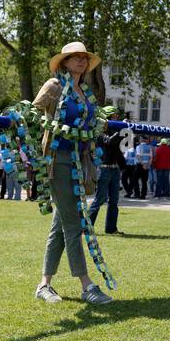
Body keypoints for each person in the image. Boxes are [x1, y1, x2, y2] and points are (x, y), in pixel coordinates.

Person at [33, 41, 113, 305]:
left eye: (84, 58)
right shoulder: (54, 86)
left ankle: (44, 284)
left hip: (80, 161)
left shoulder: (84, 91)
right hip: (58, 160)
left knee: (61, 222)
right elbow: (34, 117)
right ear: (64, 63)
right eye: (74, 57)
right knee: (73, 222)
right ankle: (86, 285)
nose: (81, 61)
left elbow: (89, 124)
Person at [88, 106, 125, 235]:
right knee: (100, 199)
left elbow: (118, 150)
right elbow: (109, 142)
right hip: (103, 170)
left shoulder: (116, 132)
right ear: (107, 118)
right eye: (114, 116)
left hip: (114, 170)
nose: (117, 118)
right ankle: (86, 227)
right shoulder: (99, 133)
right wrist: (121, 130)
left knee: (114, 201)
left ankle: (111, 229)